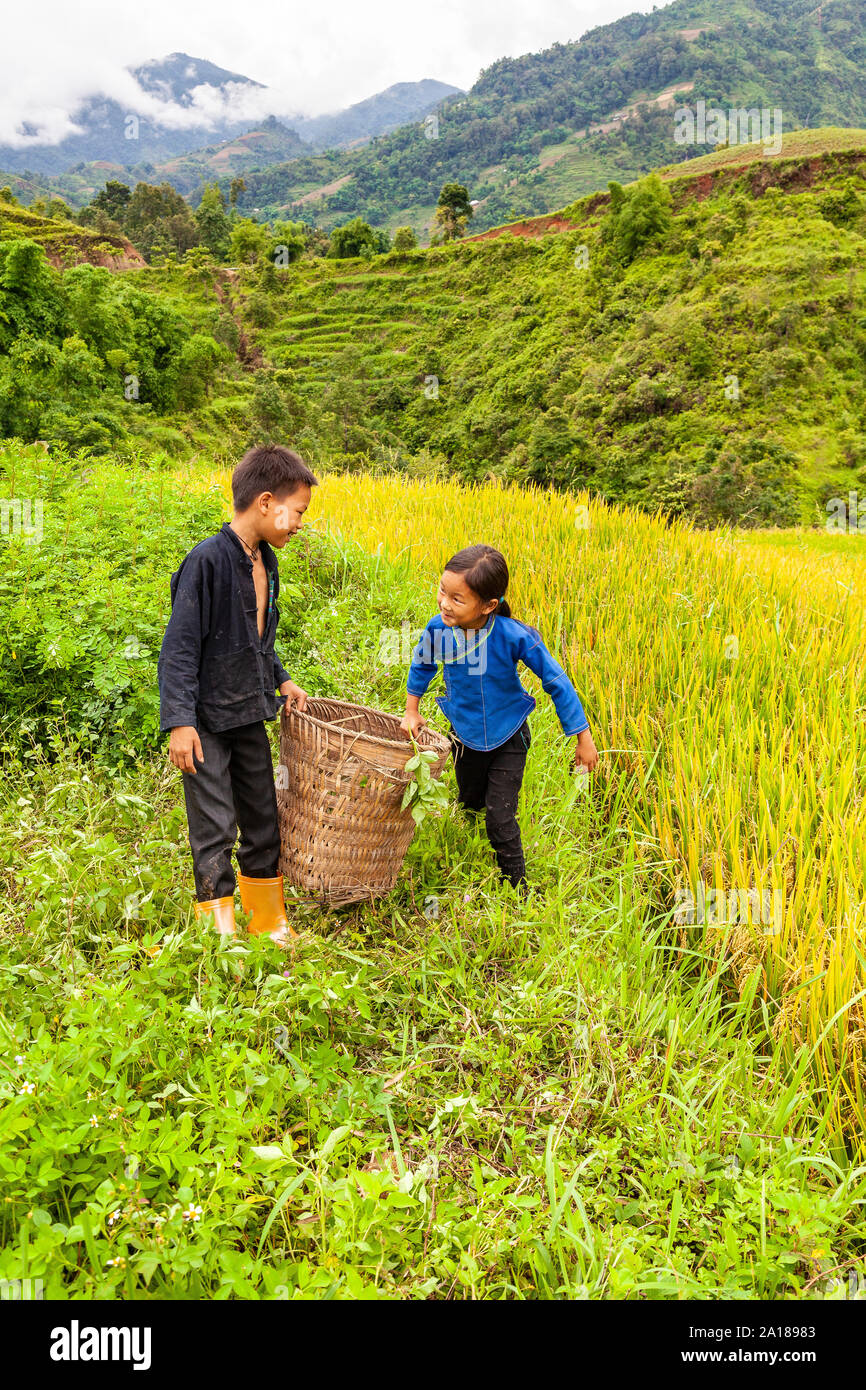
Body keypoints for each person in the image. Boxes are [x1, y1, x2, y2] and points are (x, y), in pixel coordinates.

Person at [157, 443, 317, 942]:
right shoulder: (205, 562)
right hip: (205, 722)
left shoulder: (267, 561)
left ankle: (268, 921)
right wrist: (180, 722)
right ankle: (221, 933)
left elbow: (255, 640)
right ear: (266, 502)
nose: (299, 523)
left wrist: (282, 678)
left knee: (262, 819)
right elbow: (179, 649)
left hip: (250, 712)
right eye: (298, 512)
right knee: (215, 827)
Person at [400, 544, 599, 889]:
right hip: (463, 732)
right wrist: (411, 710)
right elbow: (422, 664)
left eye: (457, 599)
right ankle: (469, 847)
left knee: (500, 815)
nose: (445, 603)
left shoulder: (513, 636)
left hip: (509, 736)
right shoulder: (438, 629)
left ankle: (516, 888)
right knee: (470, 800)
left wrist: (583, 736)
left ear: (489, 605)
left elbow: (556, 681)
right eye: (442, 591)